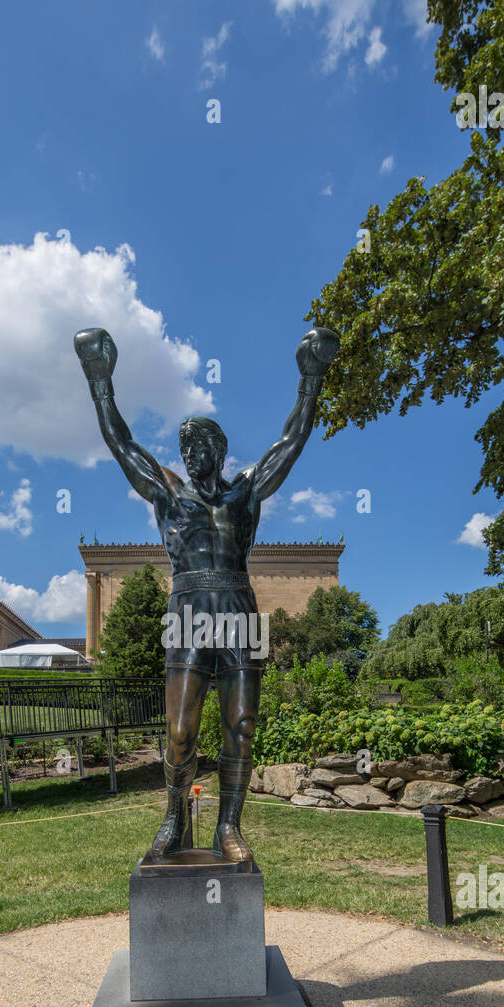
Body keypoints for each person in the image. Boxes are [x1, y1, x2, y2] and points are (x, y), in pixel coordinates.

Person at [74, 323, 339, 861]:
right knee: (179, 730)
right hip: (188, 610)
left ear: (218, 450)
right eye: (184, 448)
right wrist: (100, 379)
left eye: (197, 447)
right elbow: (122, 444)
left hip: (239, 609)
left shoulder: (246, 492)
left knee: (241, 724)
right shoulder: (168, 493)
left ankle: (229, 828)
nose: (189, 455)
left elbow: (291, 442)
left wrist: (311, 378)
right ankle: (175, 818)